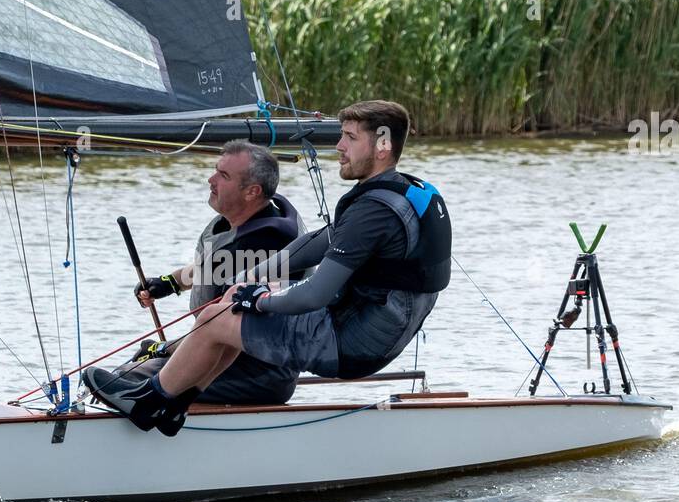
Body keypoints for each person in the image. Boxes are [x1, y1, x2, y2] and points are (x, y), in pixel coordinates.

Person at [85, 101, 450, 435]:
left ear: (382, 144)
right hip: (371, 333)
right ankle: (172, 403)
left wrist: (258, 300)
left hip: (348, 344)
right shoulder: (403, 194)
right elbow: (315, 245)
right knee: (224, 312)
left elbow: (316, 293)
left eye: (350, 138)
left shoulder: (373, 212)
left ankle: (151, 403)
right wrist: (248, 281)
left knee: (215, 321)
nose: (338, 146)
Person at [122, 140, 307, 405]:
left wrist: (163, 349)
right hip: (228, 359)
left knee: (129, 380)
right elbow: (216, 266)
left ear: (252, 191)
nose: (211, 180)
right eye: (215, 170)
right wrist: (167, 284)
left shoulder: (268, 242)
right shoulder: (249, 223)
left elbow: (222, 328)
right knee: (132, 369)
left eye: (223, 176)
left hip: (256, 376)